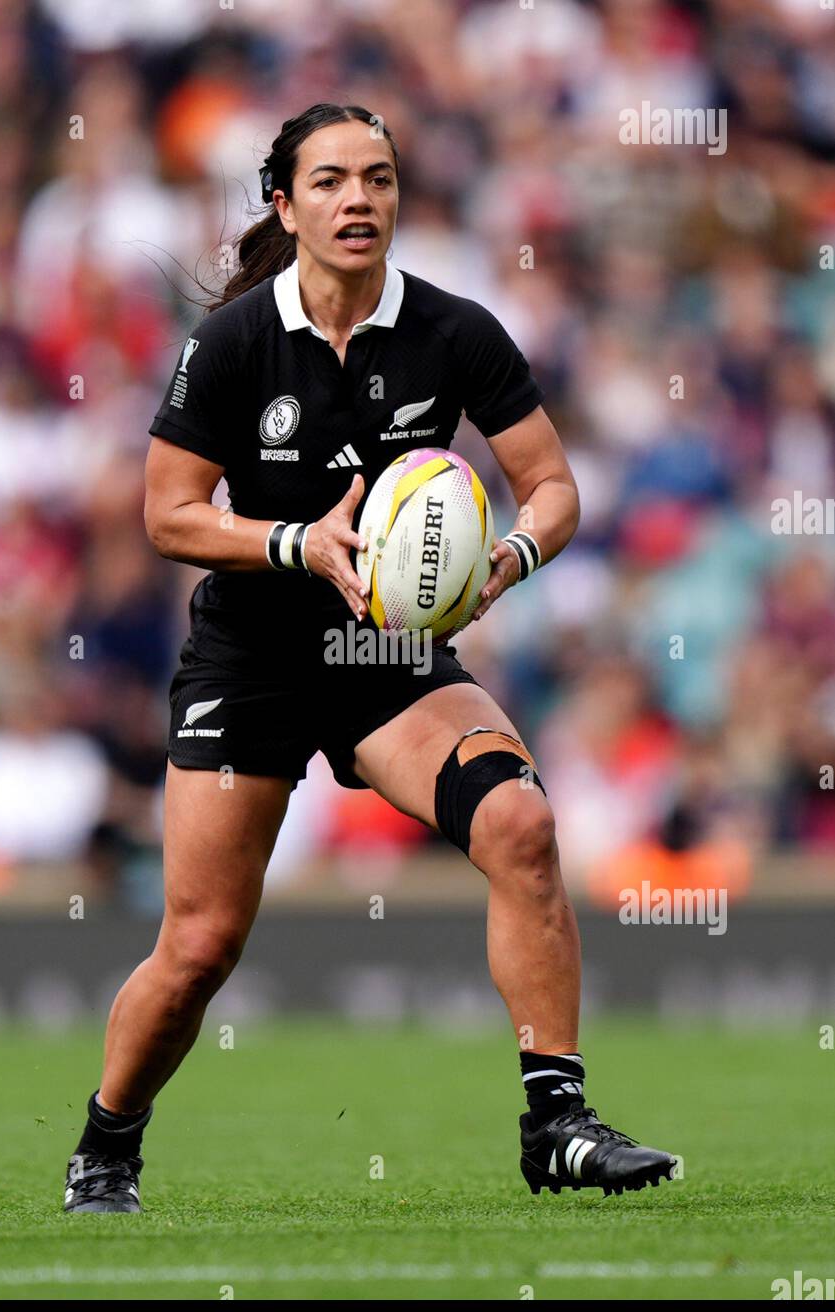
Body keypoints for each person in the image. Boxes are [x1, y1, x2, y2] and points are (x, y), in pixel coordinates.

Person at [63, 102, 676, 1214]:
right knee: (200, 945)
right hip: (250, 653)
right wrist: (298, 541)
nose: (360, 200)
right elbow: (168, 513)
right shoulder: (237, 341)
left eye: (381, 180)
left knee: (520, 824)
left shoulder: (454, 332)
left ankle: (557, 1120)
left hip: (385, 653)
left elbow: (553, 486)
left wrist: (511, 557)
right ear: (286, 205)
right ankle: (107, 1145)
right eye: (334, 180)